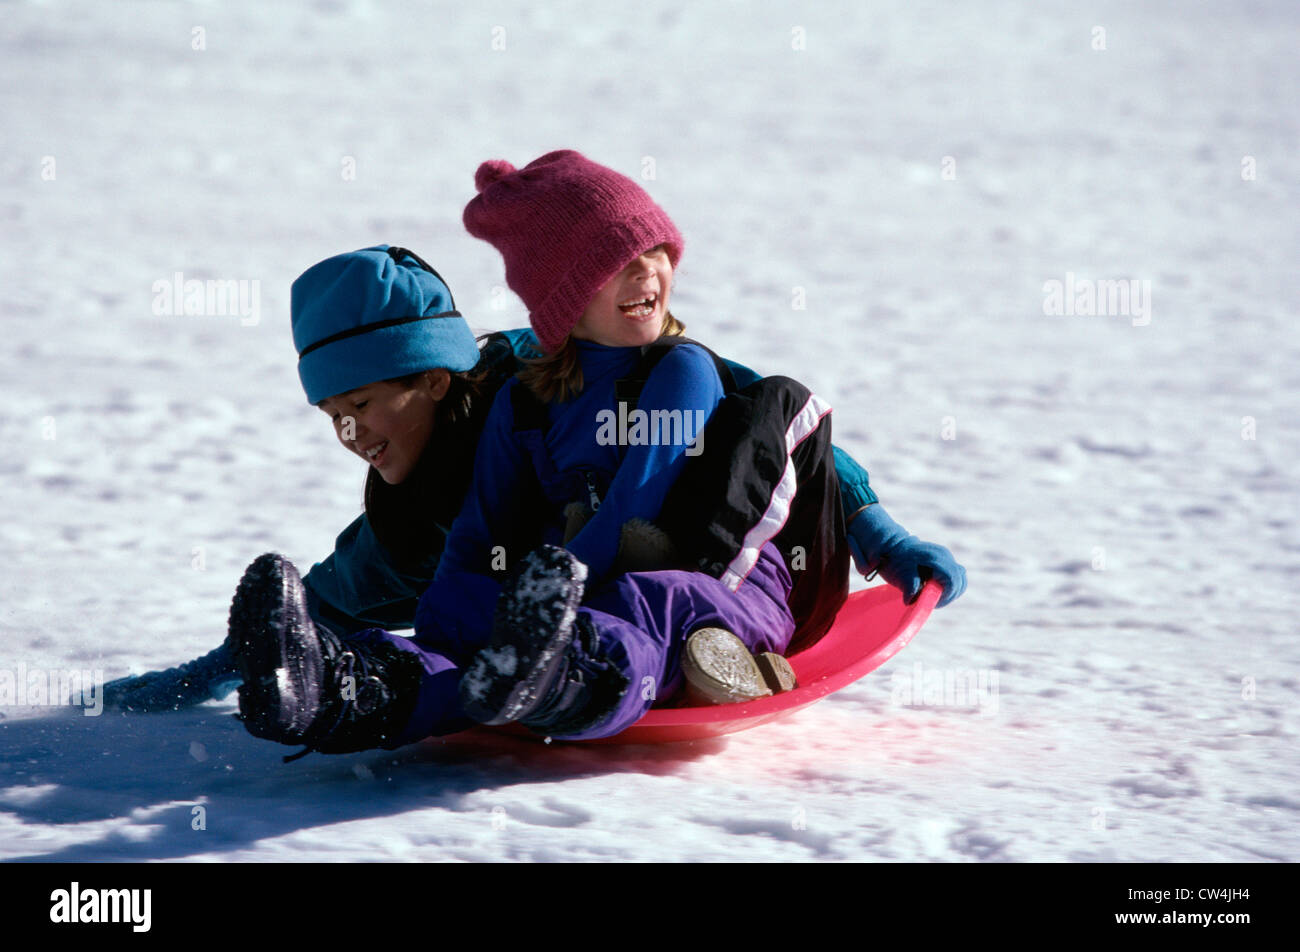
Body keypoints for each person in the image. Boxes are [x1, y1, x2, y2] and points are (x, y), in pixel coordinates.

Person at [221, 151, 966, 759]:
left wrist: (877, 531)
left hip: (711, 581)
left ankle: (578, 675)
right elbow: (478, 530)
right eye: (616, 264)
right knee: (453, 609)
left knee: (645, 600)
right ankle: (356, 690)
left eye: (654, 252)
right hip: (564, 593)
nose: (646, 274)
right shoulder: (524, 399)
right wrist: (464, 607)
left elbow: (639, 499)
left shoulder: (679, 371)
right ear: (561, 295)